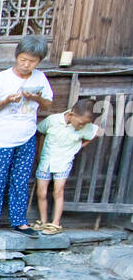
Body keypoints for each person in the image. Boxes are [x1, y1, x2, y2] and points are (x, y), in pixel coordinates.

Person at [0, 35, 53, 235]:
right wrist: (5, 101)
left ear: (39, 61)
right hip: (2, 138)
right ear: (16, 56)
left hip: (27, 136)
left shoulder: (40, 78)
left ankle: (20, 221)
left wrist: (35, 97)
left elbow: (48, 103)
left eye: (32, 61)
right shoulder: (2, 78)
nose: (26, 64)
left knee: (20, 180)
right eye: (23, 59)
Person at [33, 100, 100, 234]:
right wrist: (39, 153)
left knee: (58, 191)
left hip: (64, 162)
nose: (82, 126)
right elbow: (40, 131)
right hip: (46, 160)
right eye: (80, 123)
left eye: (85, 124)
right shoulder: (53, 121)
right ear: (71, 114)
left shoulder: (85, 126)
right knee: (41, 192)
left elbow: (97, 132)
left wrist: (80, 146)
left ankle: (55, 224)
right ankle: (43, 221)